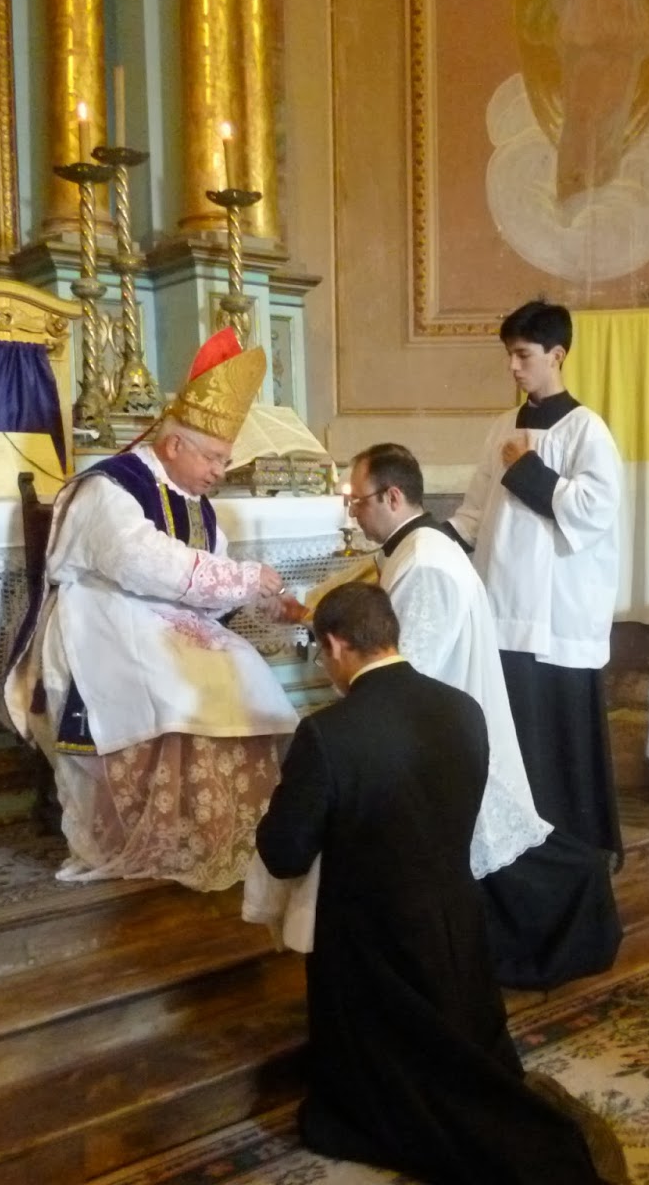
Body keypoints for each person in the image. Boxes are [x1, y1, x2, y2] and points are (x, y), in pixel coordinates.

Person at [256, 582, 617, 1185]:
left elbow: (286, 853)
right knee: (465, 1065)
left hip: (371, 946)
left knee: (399, 1096)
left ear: (337, 645)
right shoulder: (461, 709)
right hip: (458, 922)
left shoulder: (327, 734)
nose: (326, 666)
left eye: (324, 653)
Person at [3, 329, 301, 893]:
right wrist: (241, 578)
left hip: (167, 623)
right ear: (174, 446)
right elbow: (139, 560)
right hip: (103, 618)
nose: (220, 471)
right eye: (213, 457)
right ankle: (152, 833)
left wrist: (263, 598)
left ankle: (212, 831)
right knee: (176, 686)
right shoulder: (111, 487)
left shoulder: (199, 505)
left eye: (225, 459)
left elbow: (212, 580)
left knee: (239, 675)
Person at [347, 442, 622, 988]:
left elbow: (409, 667)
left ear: (393, 496)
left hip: (443, 739)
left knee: (503, 859)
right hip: (444, 730)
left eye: (358, 502)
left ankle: (571, 924)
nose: (354, 513)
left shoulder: (424, 562)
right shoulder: (416, 549)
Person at [447, 300, 625, 861]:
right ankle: (516, 844)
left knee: (557, 735)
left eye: (523, 355)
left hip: (554, 618)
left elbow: (597, 510)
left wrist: (529, 471)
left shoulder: (586, 430)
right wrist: (433, 537)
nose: (514, 368)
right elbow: (477, 510)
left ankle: (573, 845)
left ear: (557, 355)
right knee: (512, 731)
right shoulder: (503, 426)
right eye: (509, 356)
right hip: (499, 604)